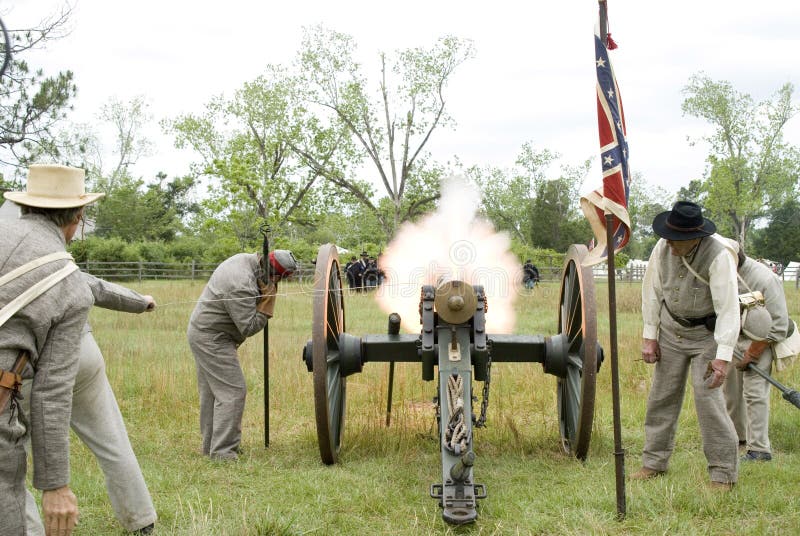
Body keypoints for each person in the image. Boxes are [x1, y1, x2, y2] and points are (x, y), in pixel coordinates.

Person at [0, 164, 102, 536]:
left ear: (25, 207)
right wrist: (55, 486)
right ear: (77, 218)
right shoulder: (70, 285)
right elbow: (51, 393)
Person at [22, 273, 158, 535]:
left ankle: (27, 530)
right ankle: (141, 519)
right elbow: (95, 286)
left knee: (10, 454)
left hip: (29, 363)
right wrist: (141, 301)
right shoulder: (43, 250)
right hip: (80, 352)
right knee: (111, 438)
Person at [634, 201, 741, 490]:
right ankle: (653, 462)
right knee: (661, 396)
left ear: (695, 237)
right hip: (671, 329)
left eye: (677, 240)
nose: (670, 245)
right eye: (669, 238)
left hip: (706, 335)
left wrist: (722, 357)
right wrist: (649, 335)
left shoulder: (719, 255)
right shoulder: (662, 247)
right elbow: (652, 292)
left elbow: (729, 308)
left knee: (709, 400)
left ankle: (722, 473)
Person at [187, 249, 297, 460]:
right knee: (233, 391)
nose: (277, 283)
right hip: (212, 337)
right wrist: (268, 303)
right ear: (270, 272)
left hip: (206, 331)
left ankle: (212, 447)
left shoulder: (247, 261)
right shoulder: (241, 284)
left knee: (212, 393)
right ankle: (223, 453)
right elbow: (248, 326)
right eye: (277, 279)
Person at [723, 245, 791, 463]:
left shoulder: (765, 279)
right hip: (733, 340)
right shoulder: (722, 273)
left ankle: (760, 450)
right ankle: (737, 439)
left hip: (762, 340)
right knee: (731, 393)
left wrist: (752, 354)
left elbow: (779, 324)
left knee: (754, 394)